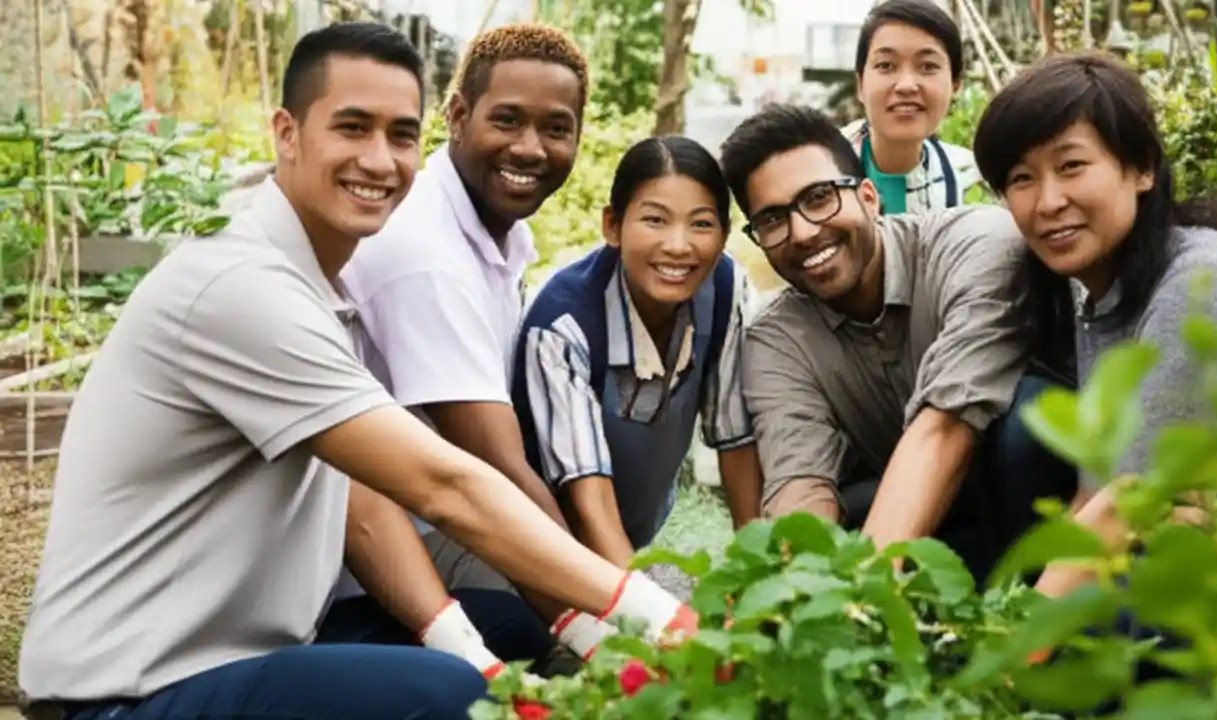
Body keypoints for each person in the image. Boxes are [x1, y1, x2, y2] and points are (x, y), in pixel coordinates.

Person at [19, 22, 694, 720]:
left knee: (501, 630)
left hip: (257, 648)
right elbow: (446, 483)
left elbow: (363, 506)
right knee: (451, 697)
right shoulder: (241, 289)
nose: (380, 160)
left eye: (401, 136)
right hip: (129, 692)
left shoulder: (319, 287)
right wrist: (666, 626)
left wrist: (479, 653)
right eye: (352, 128)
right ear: (287, 132)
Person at [332, 23, 624, 664]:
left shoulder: (495, 234)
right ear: (457, 115)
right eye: (508, 120)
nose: (530, 148)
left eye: (556, 127)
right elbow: (494, 466)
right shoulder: (424, 252)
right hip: (369, 556)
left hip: (431, 517)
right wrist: (613, 625)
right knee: (546, 639)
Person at [720, 103, 1077, 583]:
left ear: (869, 196)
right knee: (843, 513)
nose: (802, 232)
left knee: (1031, 420)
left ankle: (1045, 613)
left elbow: (949, 422)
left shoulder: (975, 245)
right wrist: (798, 592)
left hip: (1034, 505)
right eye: (772, 221)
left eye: (820, 198)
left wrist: (863, 591)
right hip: (924, 525)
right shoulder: (775, 339)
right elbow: (801, 486)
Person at [970, 51, 1217, 600]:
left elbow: (1127, 499)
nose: (1048, 202)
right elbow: (1100, 485)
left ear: (1142, 168)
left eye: (1071, 166)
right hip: (1181, 529)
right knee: (1026, 414)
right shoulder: (1089, 287)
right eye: (1021, 178)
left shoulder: (1205, 281)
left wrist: (1013, 654)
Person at [510, 135, 762, 570]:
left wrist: (758, 574)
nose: (678, 246)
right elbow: (586, 492)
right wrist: (646, 611)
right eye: (655, 220)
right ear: (613, 225)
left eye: (701, 224)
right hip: (543, 548)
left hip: (635, 528)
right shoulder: (562, 324)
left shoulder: (724, 290)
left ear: (724, 234)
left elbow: (735, 440)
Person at [842, 0, 979, 214]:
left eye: (928, 66)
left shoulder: (973, 182)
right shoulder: (819, 173)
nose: (906, 85)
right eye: (886, 65)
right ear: (860, 84)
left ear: (955, 84)